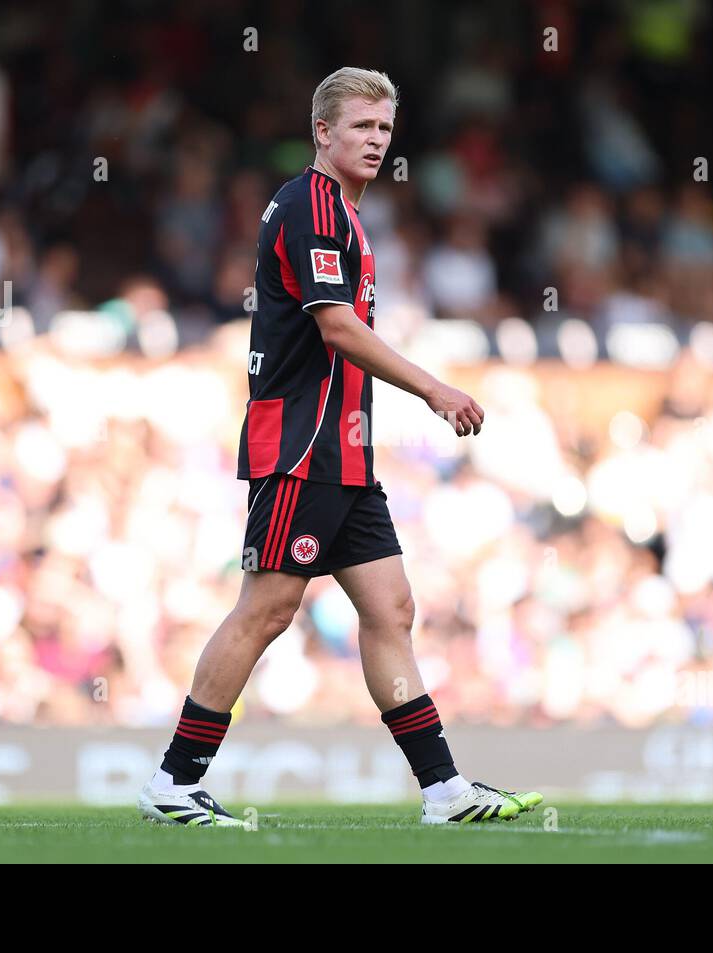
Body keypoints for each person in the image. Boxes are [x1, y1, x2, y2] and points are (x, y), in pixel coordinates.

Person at [138, 67, 541, 826]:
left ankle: (443, 791)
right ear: (323, 133)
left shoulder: (347, 216)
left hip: (345, 452)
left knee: (391, 607)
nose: (376, 142)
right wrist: (433, 389)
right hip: (299, 444)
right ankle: (173, 780)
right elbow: (337, 327)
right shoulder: (311, 206)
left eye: (385, 130)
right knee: (267, 607)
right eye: (361, 127)